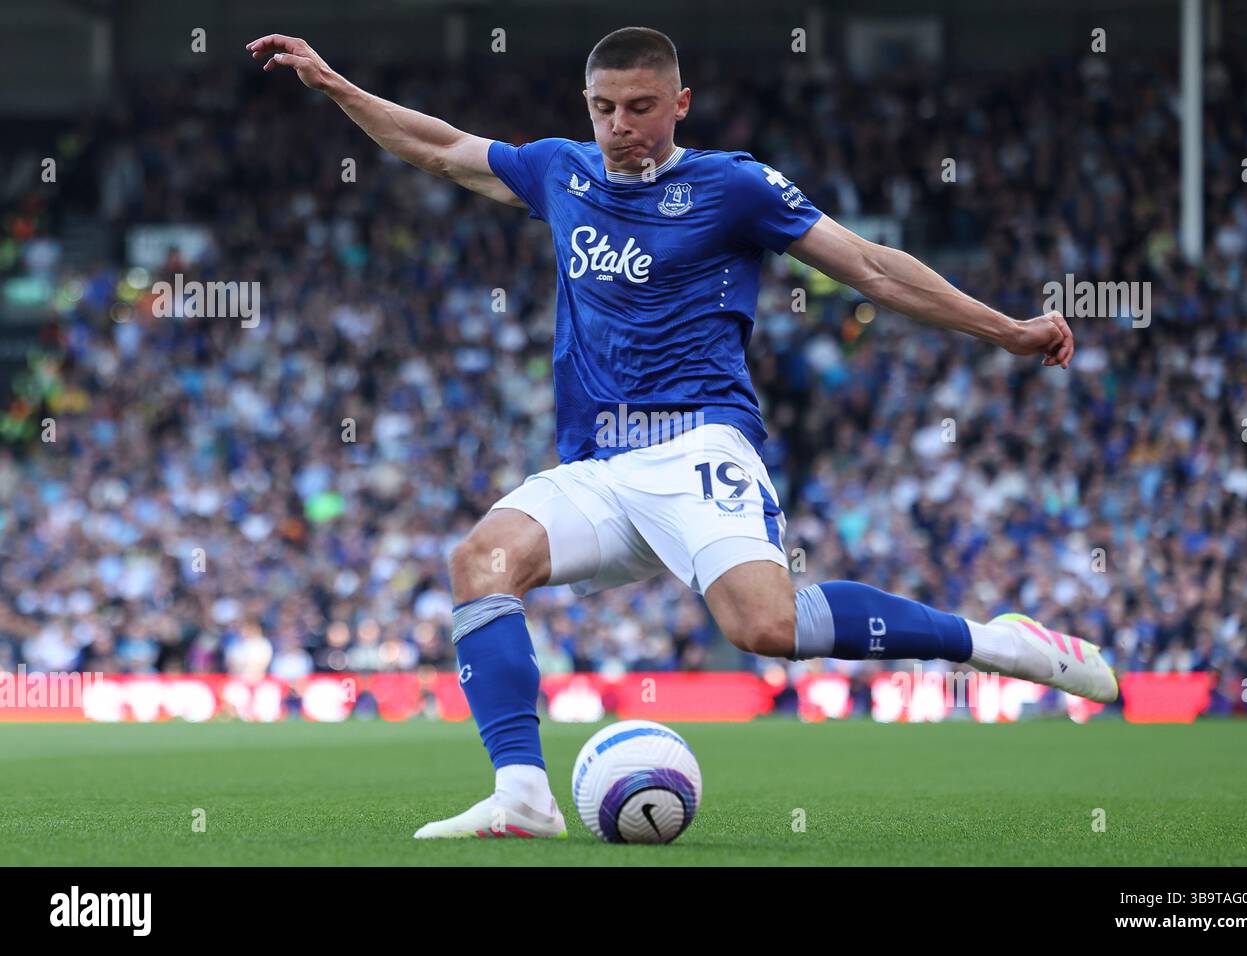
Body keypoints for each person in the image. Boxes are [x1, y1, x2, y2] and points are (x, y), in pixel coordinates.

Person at [247, 26, 1118, 841]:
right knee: (481, 559)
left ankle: (998, 642)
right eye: (602, 108)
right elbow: (437, 145)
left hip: (698, 445)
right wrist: (334, 85)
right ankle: (521, 792)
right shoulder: (560, 171)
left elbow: (874, 268)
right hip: (596, 464)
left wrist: (1006, 329)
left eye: (638, 107)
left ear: (680, 104)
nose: (619, 126)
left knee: (763, 630)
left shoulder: (733, 186)